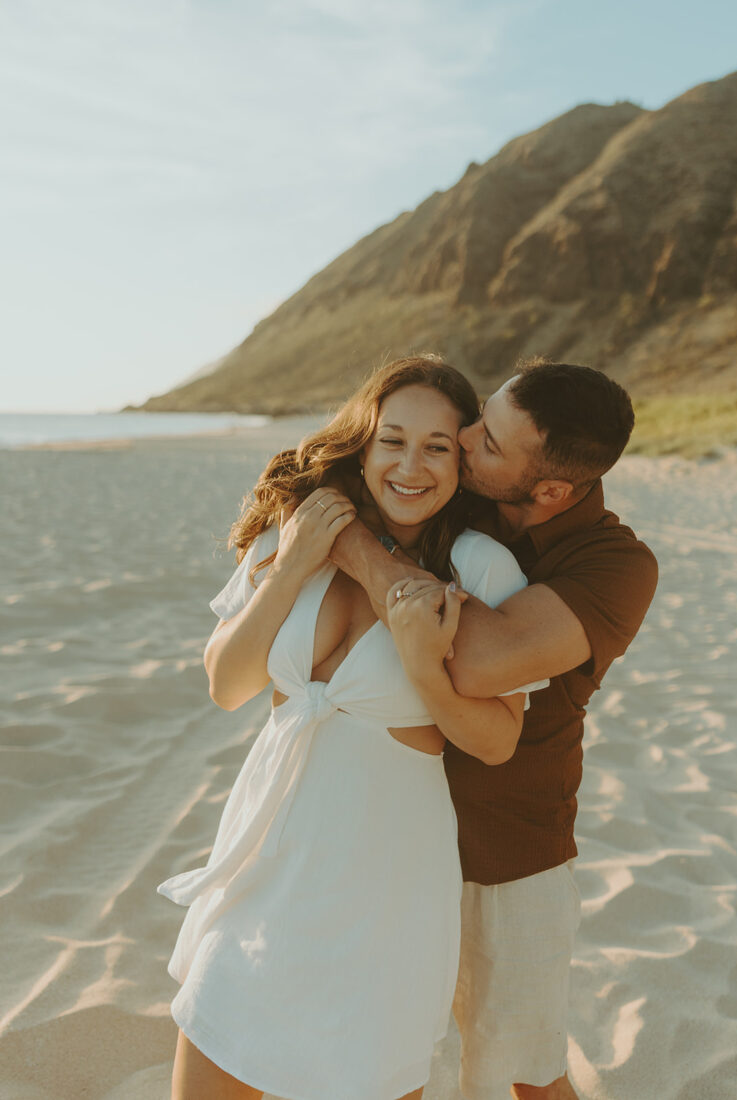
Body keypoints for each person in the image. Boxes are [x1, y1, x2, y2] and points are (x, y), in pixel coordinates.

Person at [157, 356, 548, 1100]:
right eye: (392, 440)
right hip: (264, 866)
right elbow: (227, 683)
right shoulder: (295, 530)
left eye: (437, 446)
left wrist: (427, 667)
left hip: (385, 885)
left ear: (460, 462)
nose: (411, 465)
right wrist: (297, 560)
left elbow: (496, 740)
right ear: (362, 443)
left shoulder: (481, 566)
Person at [328, 359, 659, 1100]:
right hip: (389, 831)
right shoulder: (465, 496)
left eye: (488, 443)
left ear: (548, 490)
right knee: (374, 1063)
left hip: (508, 855)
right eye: (478, 422)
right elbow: (311, 482)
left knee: (519, 1078)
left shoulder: (618, 564)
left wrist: (359, 552)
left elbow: (481, 661)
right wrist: (353, 538)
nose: (465, 439)